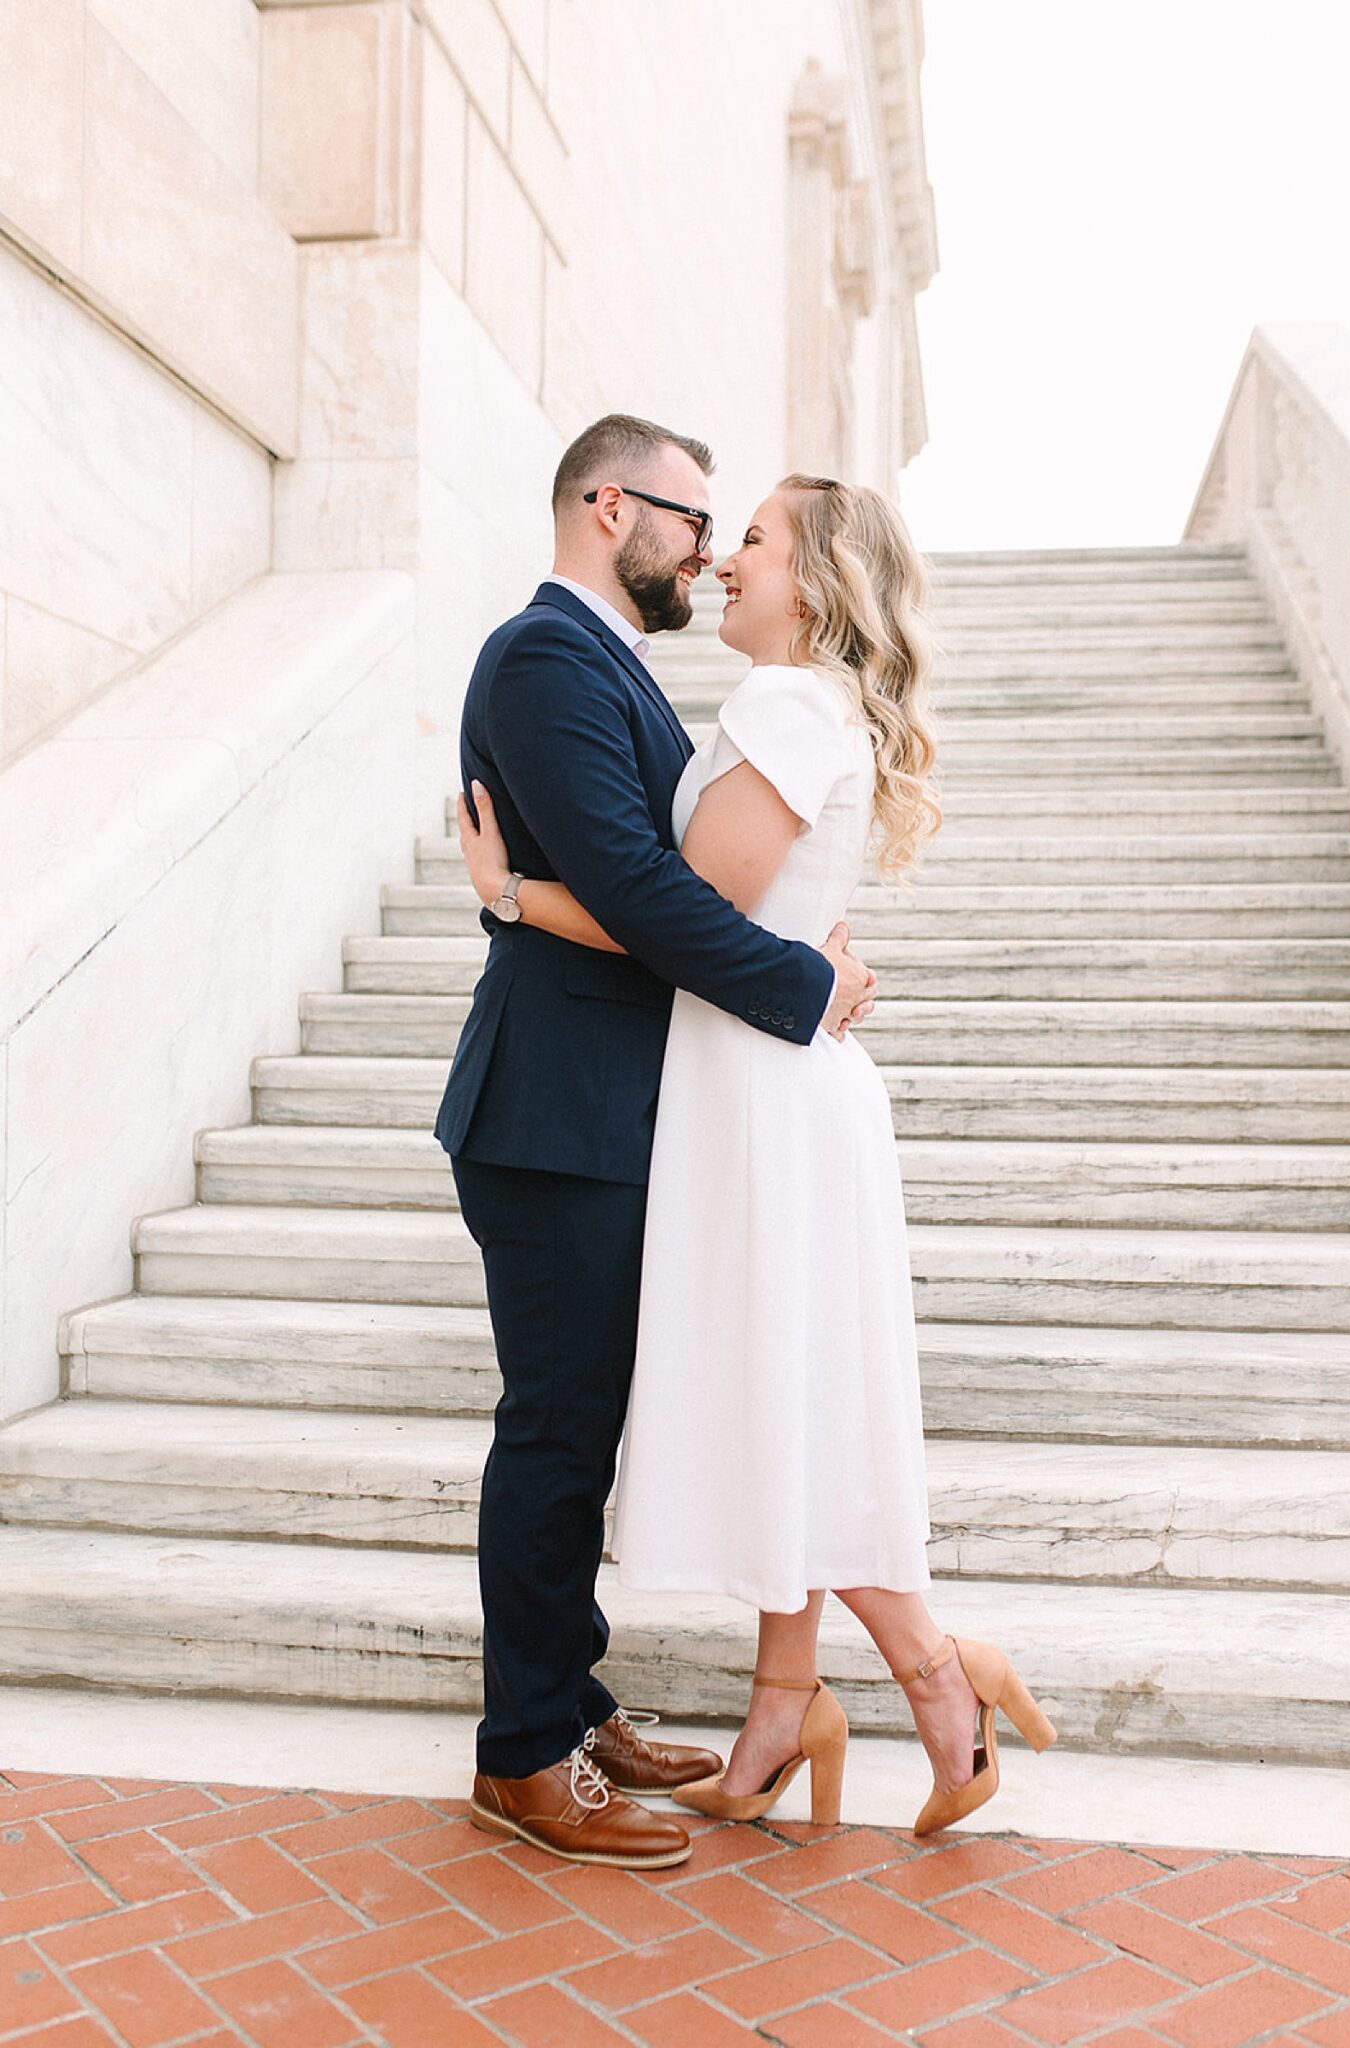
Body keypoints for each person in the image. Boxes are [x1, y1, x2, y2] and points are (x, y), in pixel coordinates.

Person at [458, 471, 1058, 1839]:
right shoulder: (796, 702)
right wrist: (796, 960)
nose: (730, 557)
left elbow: (679, 912)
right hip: (756, 1084)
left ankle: (930, 1674)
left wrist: (506, 892)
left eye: (758, 538)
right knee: (785, 1398)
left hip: (759, 1088)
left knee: (790, 1399)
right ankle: (787, 1706)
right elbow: (727, 912)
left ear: (818, 576)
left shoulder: (784, 703)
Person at [432, 415, 878, 1871]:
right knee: (557, 1430)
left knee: (586, 1424)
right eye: (695, 519)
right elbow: (636, 888)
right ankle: (521, 1759)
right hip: (555, 1110)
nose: (707, 549)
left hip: (615, 1105)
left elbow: (665, 876)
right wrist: (802, 982)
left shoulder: (607, 658)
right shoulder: (547, 656)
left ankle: (570, 1699)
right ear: (608, 504)